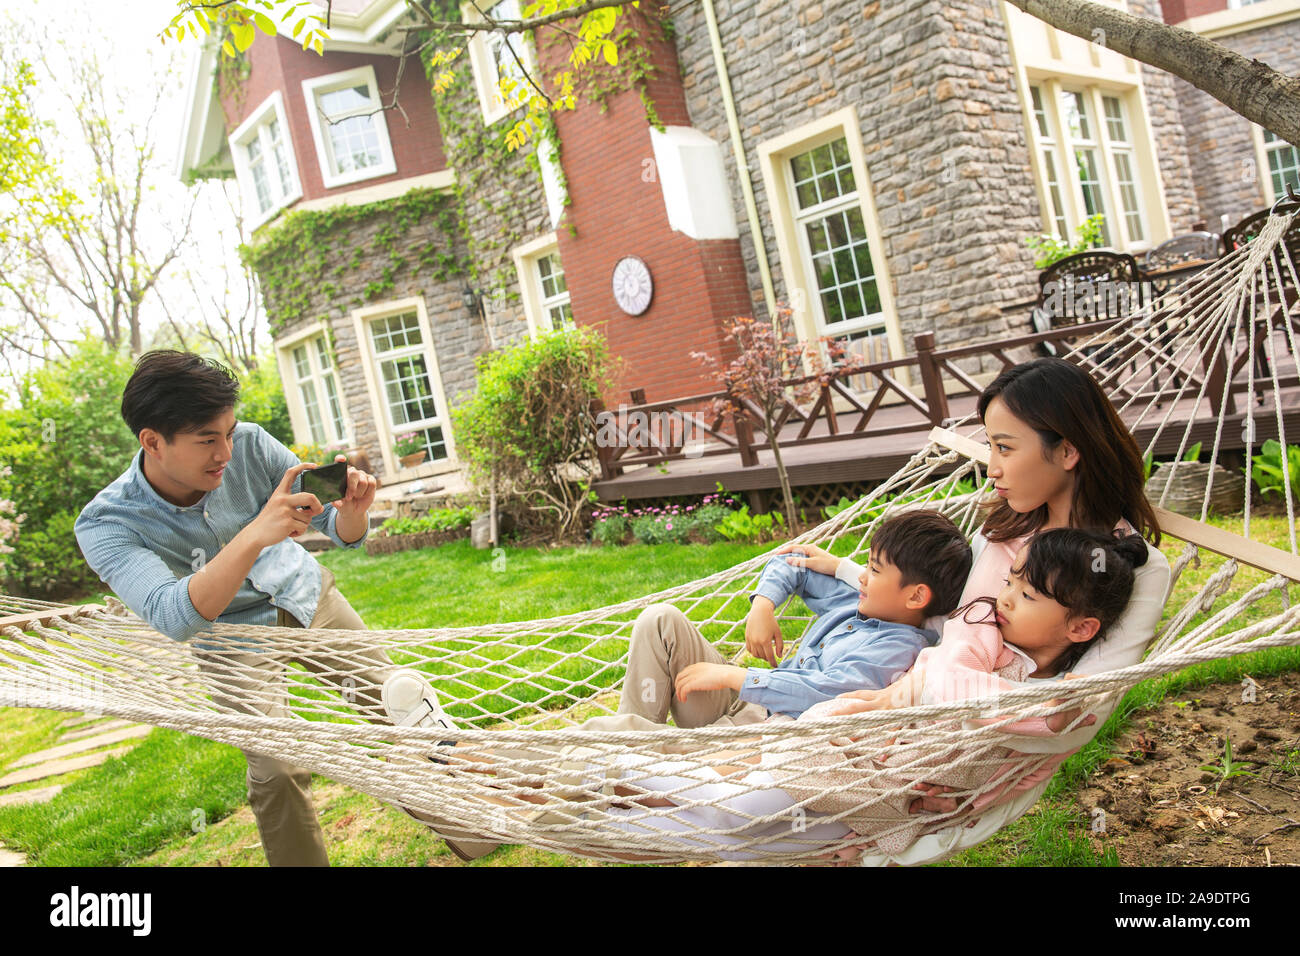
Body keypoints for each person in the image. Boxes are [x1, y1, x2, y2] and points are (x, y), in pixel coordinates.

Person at [72, 350, 480, 866]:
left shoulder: (250, 443)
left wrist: (353, 513)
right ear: (153, 441)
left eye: (228, 431)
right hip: (230, 638)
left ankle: (471, 830)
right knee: (278, 769)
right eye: (207, 440)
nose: (226, 451)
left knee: (401, 710)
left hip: (308, 597)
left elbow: (339, 531)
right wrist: (253, 535)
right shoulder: (107, 523)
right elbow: (173, 615)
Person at [775, 526, 1151, 856]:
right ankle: (888, 822)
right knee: (807, 735)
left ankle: (877, 822)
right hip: (889, 745)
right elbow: (949, 677)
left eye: (1028, 595)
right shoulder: (981, 626)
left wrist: (977, 803)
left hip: (924, 779)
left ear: (1081, 629)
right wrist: (1042, 714)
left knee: (798, 760)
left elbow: (1032, 771)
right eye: (1009, 582)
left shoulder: (1065, 697)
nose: (1005, 598)